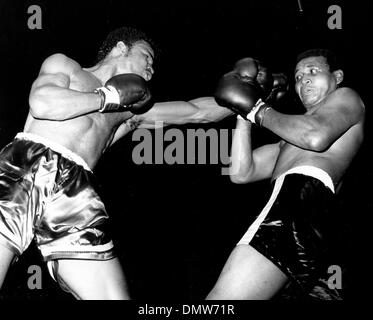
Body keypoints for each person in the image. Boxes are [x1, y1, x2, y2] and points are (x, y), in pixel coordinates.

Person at [0, 26, 236, 300]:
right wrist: (108, 98)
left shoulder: (127, 112)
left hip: (77, 190)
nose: (151, 70)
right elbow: (43, 104)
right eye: (146, 57)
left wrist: (249, 102)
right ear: (121, 47)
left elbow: (196, 113)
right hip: (28, 163)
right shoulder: (67, 66)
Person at [207, 48, 365, 300]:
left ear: (338, 76)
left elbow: (315, 136)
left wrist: (256, 109)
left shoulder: (347, 97)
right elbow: (241, 172)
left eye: (313, 71)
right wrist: (243, 113)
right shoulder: (287, 140)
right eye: (299, 76)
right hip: (316, 228)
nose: (305, 79)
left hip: (298, 201)